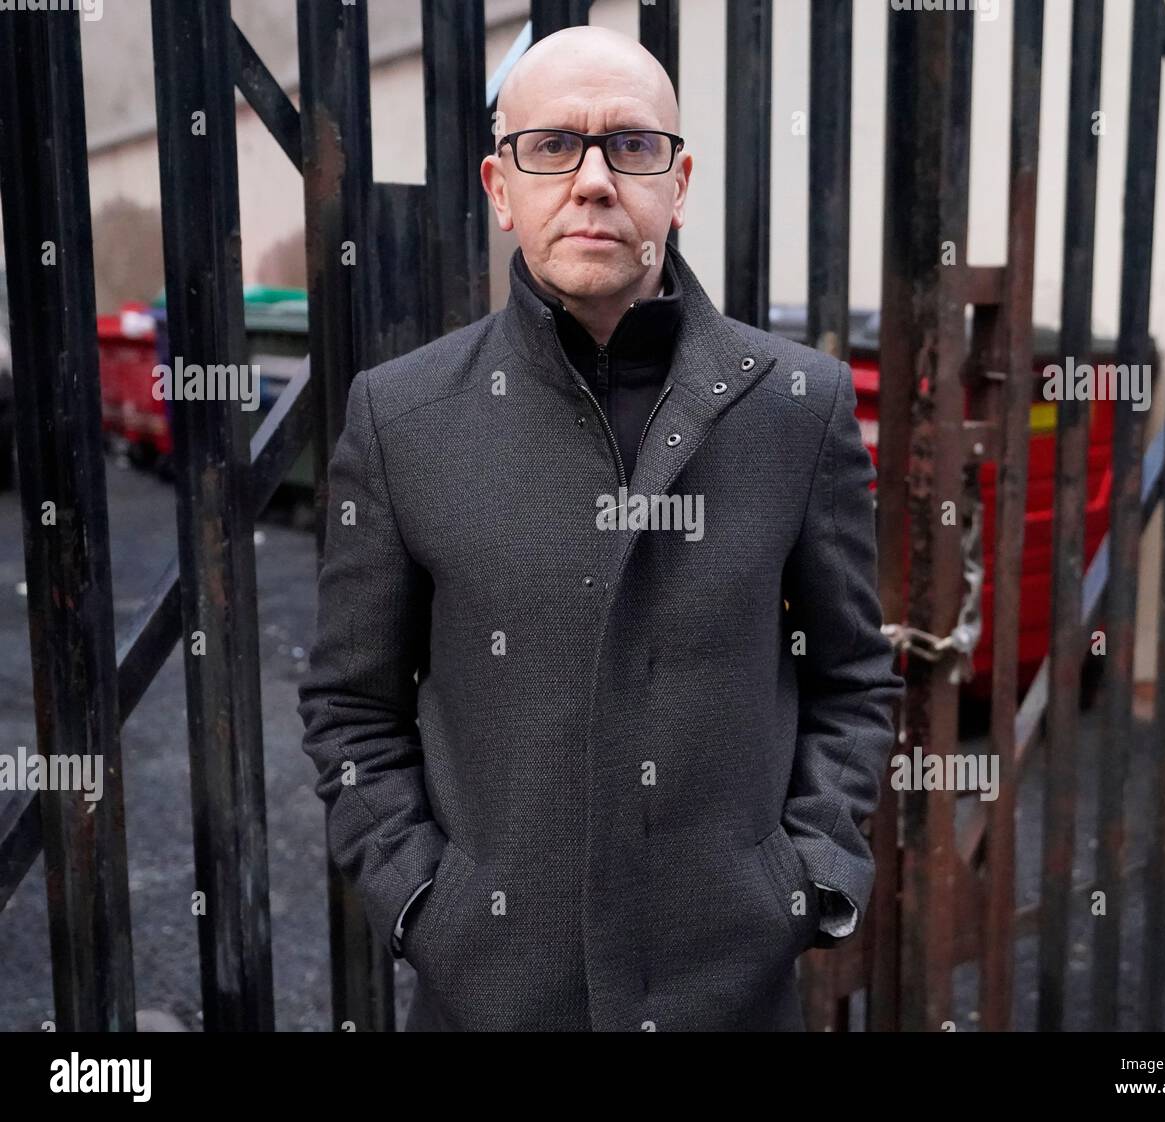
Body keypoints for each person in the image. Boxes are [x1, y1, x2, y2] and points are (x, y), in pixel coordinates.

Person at [297, 24, 903, 1032]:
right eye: (551, 147)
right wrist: (426, 902)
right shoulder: (400, 417)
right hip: (486, 997)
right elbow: (349, 705)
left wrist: (803, 877)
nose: (590, 180)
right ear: (500, 187)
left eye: (630, 146)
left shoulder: (800, 406)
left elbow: (854, 677)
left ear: (679, 181)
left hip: (732, 996)